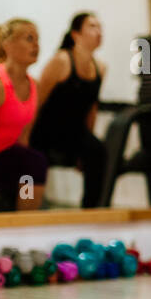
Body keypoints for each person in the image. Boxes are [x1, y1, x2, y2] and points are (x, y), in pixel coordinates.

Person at [31, 12, 106, 208]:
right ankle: (25, 204)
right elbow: (36, 101)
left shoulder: (101, 67)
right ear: (75, 34)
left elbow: (92, 108)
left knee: (97, 151)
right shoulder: (61, 61)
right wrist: (24, 137)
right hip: (46, 130)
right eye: (92, 26)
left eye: (100, 27)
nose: (98, 32)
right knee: (29, 161)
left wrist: (88, 139)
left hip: (73, 133)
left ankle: (90, 210)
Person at [0, 19, 48, 212]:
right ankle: (24, 218)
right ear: (7, 45)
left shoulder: (34, 85)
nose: (36, 46)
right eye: (29, 39)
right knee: (33, 162)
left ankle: (25, 217)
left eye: (37, 39)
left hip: (5, 162)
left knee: (32, 163)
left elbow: (23, 139)